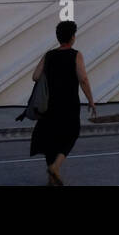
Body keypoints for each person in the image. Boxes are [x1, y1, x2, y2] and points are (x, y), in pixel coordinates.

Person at [30, 20, 97, 185]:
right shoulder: (75, 55)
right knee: (71, 133)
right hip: (68, 104)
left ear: (58, 37)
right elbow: (83, 79)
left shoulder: (49, 55)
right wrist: (91, 100)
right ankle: (55, 167)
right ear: (72, 37)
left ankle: (51, 179)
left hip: (49, 105)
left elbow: (35, 76)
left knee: (50, 139)